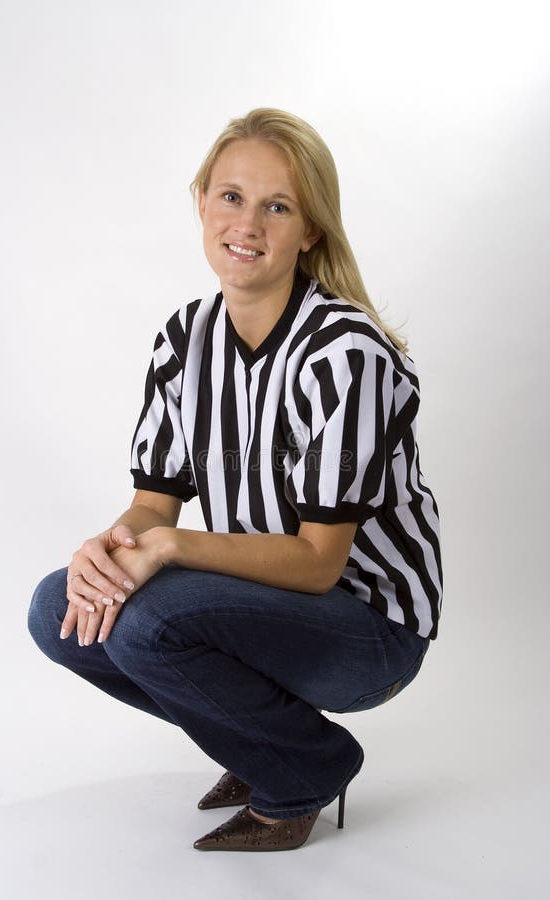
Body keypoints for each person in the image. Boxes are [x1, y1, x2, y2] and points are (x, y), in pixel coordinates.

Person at [28, 107, 443, 852]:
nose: (246, 224)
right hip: (255, 605)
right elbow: (154, 504)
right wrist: (111, 547)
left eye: (277, 206)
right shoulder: (185, 337)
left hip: (368, 630)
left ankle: (307, 766)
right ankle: (263, 746)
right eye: (231, 196)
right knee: (60, 606)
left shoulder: (344, 353)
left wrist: (168, 550)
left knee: (151, 621)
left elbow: (317, 565)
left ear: (309, 230)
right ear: (202, 203)